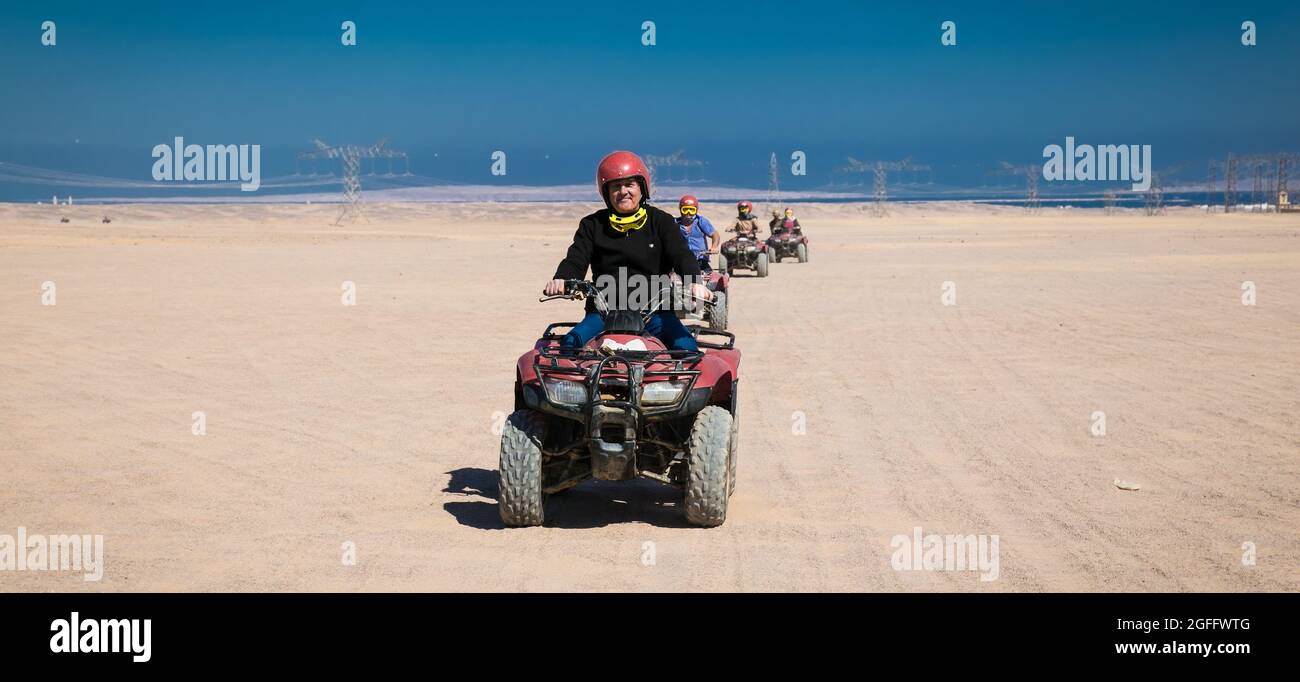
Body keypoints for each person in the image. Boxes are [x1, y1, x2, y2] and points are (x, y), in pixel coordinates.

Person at [545, 151, 712, 351]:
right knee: (569, 347)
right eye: (615, 186)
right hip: (603, 314)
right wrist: (563, 279)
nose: (623, 191)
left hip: (656, 313)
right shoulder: (592, 225)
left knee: (687, 349)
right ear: (605, 192)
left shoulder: (662, 221)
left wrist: (694, 282)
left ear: (642, 188)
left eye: (630, 184)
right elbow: (575, 259)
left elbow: (681, 255)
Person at [676, 194, 721, 273]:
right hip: (680, 259)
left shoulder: (701, 221)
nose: (688, 213)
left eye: (691, 210)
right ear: (680, 209)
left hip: (700, 259)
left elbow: (715, 235)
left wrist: (714, 247)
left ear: (696, 210)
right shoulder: (674, 223)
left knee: (711, 280)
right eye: (685, 209)